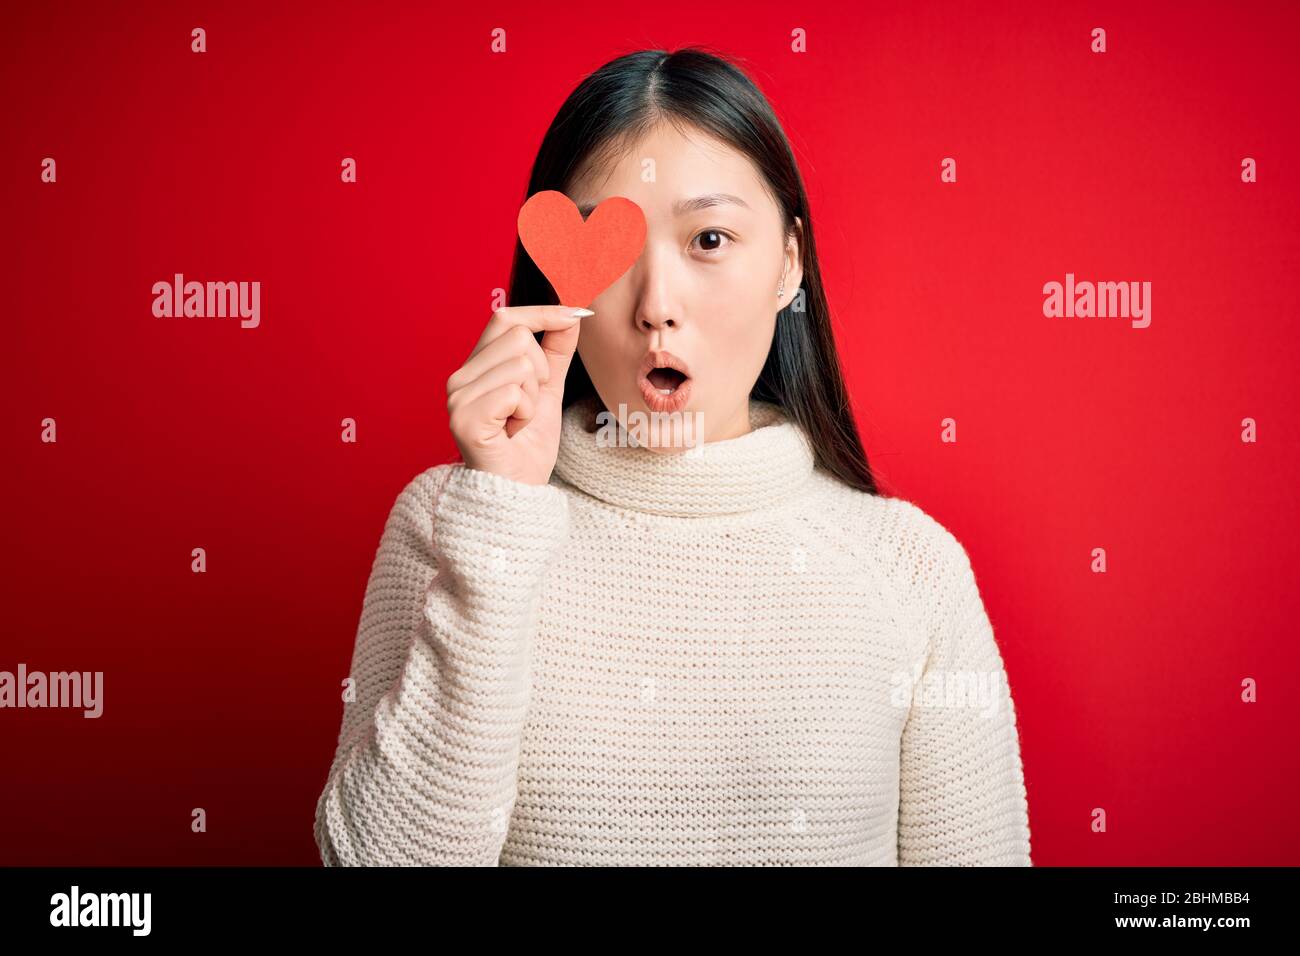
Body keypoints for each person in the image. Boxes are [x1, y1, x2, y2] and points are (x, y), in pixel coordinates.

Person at [313, 46, 1032, 866]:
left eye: (711, 239)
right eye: (611, 250)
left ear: (788, 262)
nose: (657, 306)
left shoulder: (913, 570)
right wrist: (500, 520)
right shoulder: (455, 522)